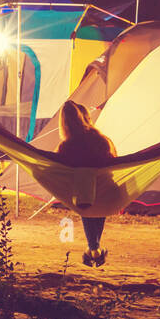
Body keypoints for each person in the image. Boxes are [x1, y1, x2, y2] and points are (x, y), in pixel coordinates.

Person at [56, 101, 116, 267]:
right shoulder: (101, 139)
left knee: (88, 209)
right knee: (99, 211)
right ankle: (93, 250)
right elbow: (112, 159)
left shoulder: (67, 145)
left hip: (84, 191)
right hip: (107, 187)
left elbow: (60, 166)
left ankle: (94, 250)